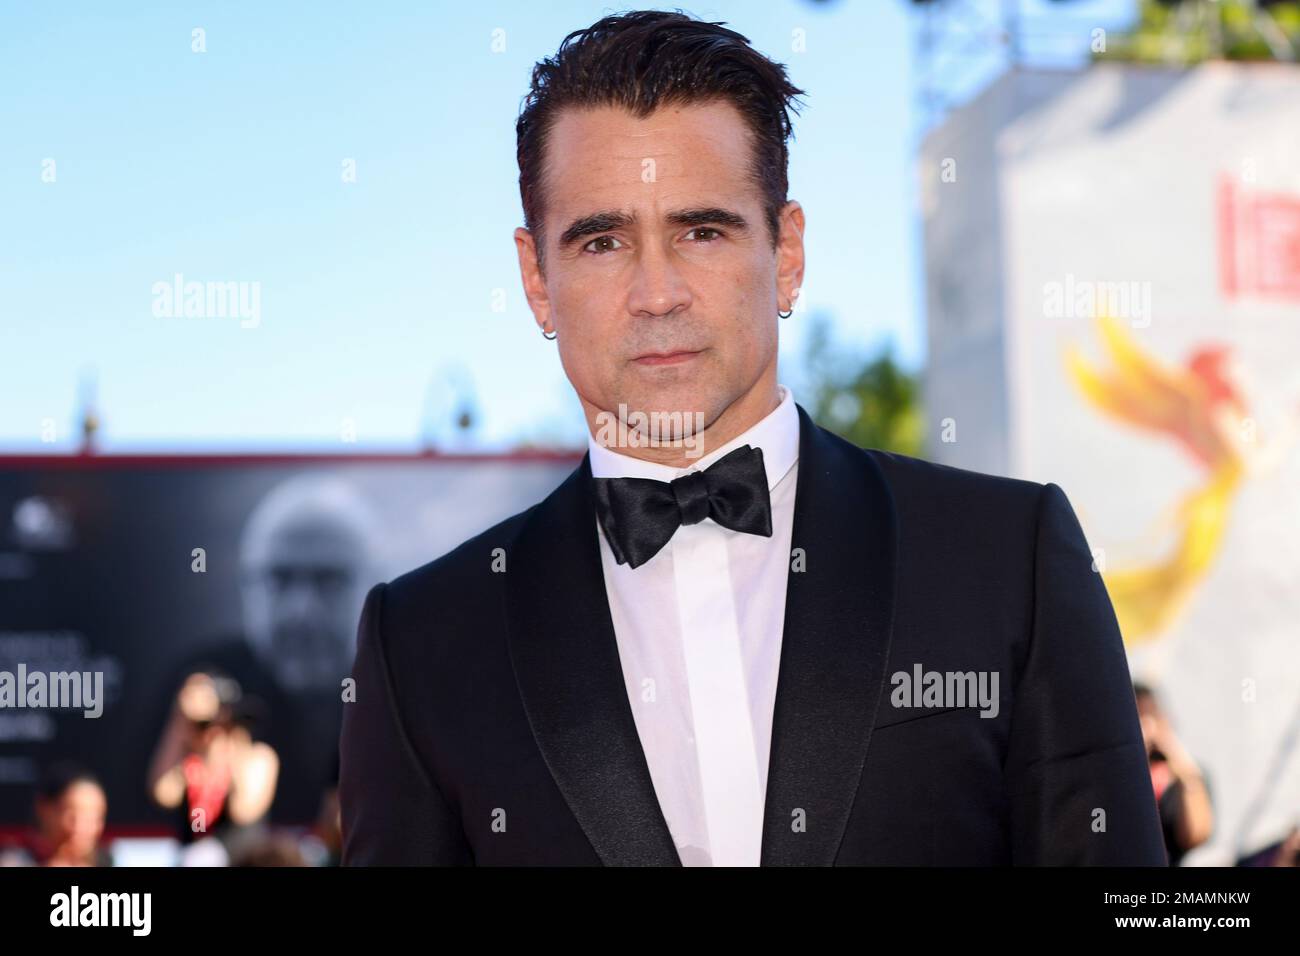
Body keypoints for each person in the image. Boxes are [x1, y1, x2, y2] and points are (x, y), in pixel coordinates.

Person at [339, 10, 1167, 866]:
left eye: (702, 231)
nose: (656, 292)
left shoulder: (1006, 562)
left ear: (789, 251)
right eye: (602, 240)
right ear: (536, 280)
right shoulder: (424, 646)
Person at [1134, 682, 1214, 866]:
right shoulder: (1121, 778)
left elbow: (1196, 834)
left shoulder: (1187, 776)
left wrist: (1175, 753)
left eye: (1152, 715)